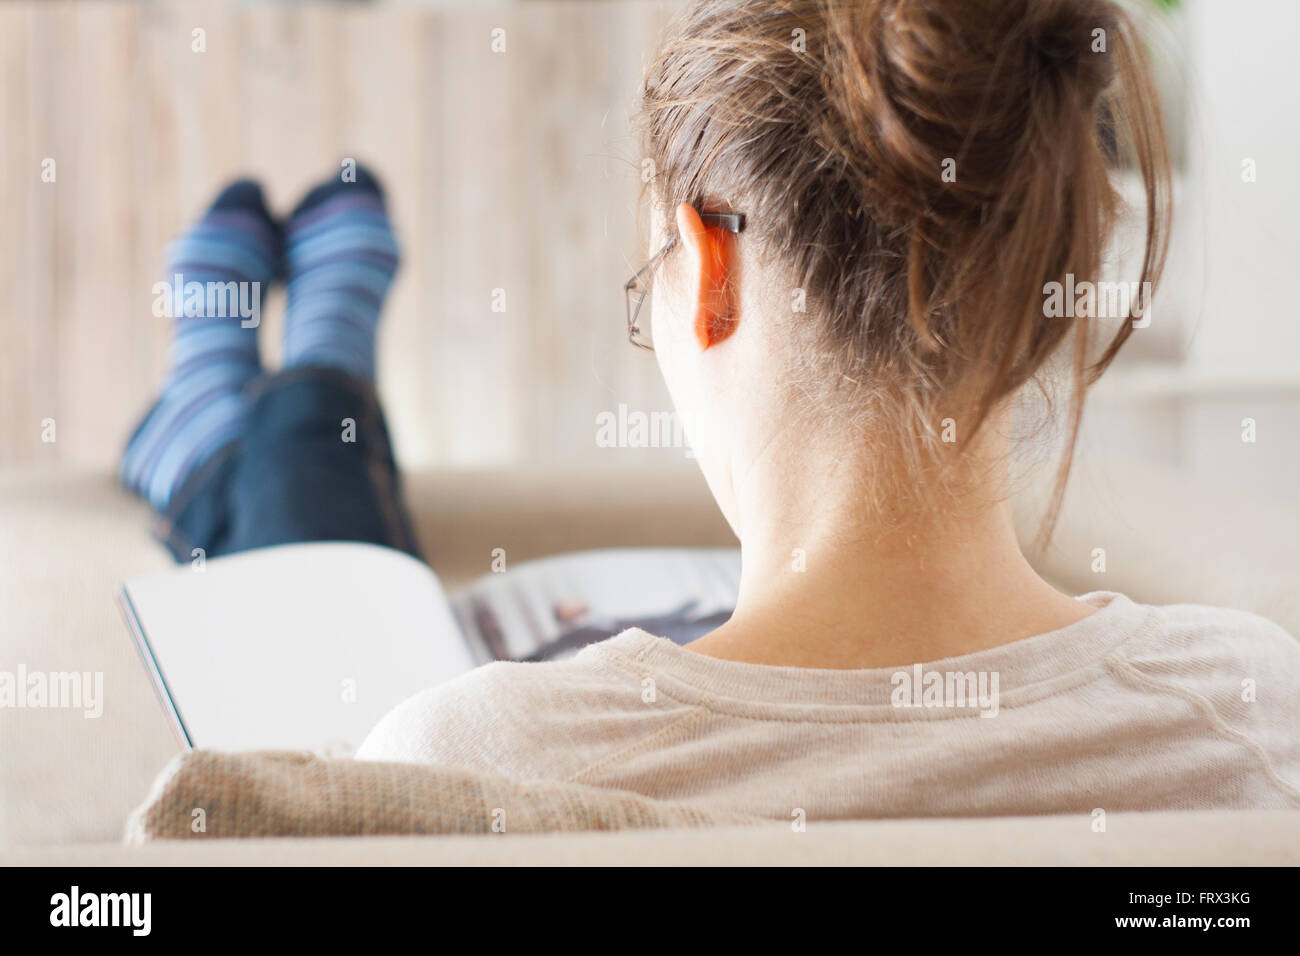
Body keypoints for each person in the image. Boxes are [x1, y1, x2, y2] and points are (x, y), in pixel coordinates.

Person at [126, 0, 1300, 819]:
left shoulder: (469, 763)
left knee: (314, 580)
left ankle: (252, 395)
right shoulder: (1253, 712)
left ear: (712, 264)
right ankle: (254, 393)